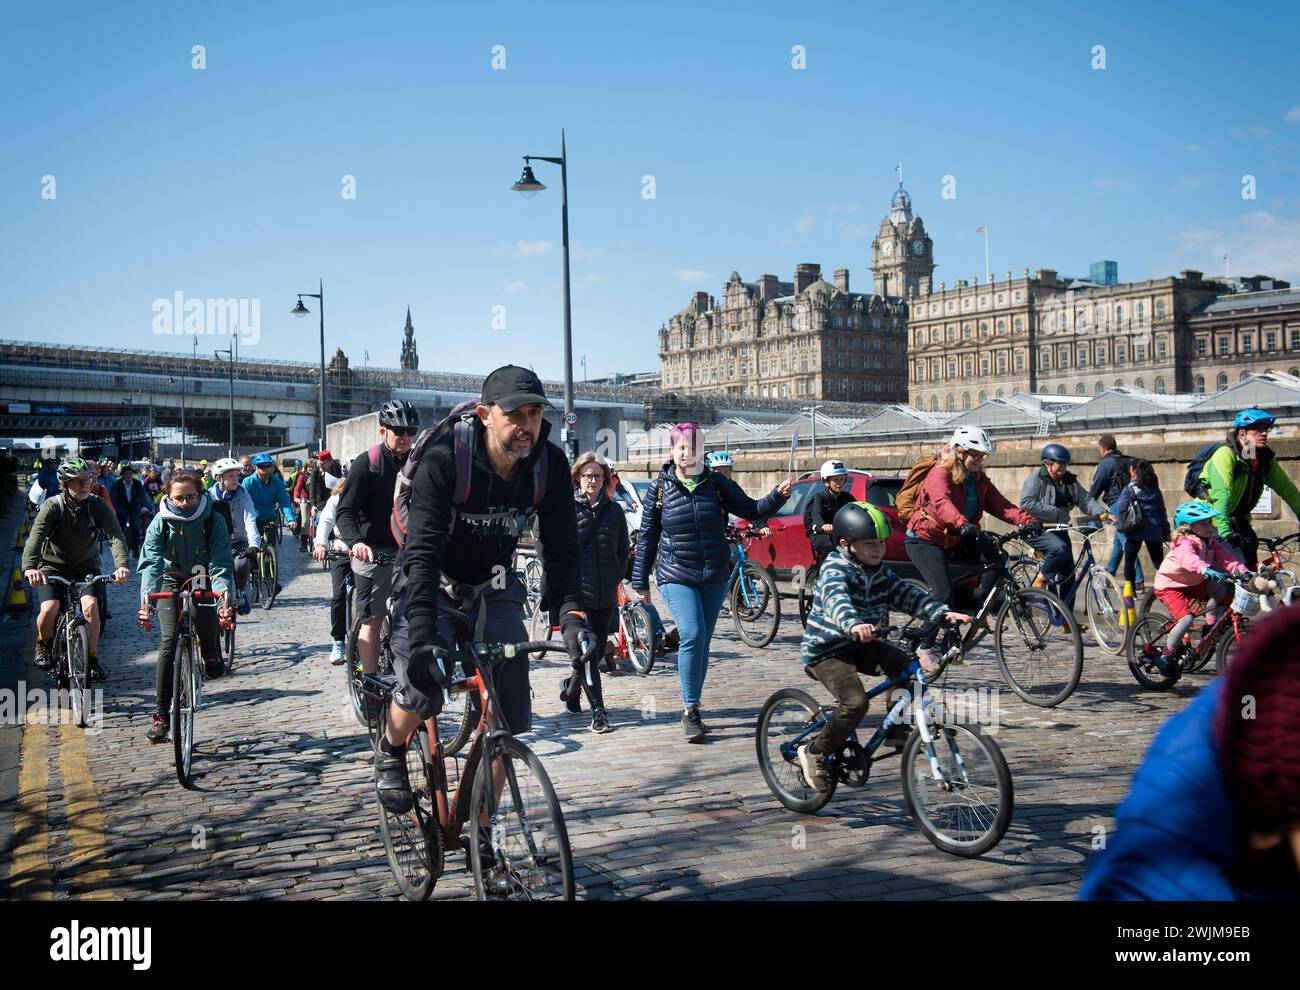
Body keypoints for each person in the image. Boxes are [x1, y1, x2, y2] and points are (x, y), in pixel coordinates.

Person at [381, 366, 600, 820]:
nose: (527, 425)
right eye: (514, 414)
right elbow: (419, 557)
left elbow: (560, 550)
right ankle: (391, 747)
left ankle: (485, 838)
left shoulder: (549, 465)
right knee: (423, 690)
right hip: (434, 582)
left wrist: (573, 616)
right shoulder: (445, 460)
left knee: (509, 717)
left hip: (494, 585)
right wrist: (422, 640)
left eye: (535, 413)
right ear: (485, 414)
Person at [1079, 604, 1300, 900]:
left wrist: (1231, 568)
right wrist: (1206, 568)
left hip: (1203, 587)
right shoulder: (1174, 832)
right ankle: (1169, 651)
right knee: (1186, 616)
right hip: (1178, 585)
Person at [632, 422, 792, 742]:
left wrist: (777, 496)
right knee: (691, 633)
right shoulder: (660, 488)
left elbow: (751, 509)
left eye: (694, 449)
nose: (688, 454)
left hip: (715, 573)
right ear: (672, 451)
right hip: (676, 573)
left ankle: (695, 702)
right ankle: (690, 709)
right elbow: (648, 536)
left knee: (702, 641)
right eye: (682, 448)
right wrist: (640, 580)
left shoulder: (716, 483)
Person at [797, 502, 970, 792]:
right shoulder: (834, 569)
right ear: (845, 544)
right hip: (827, 650)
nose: (878, 550)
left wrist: (941, 613)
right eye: (869, 544)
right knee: (856, 703)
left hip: (863, 643)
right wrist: (853, 623)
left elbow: (907, 595)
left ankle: (897, 728)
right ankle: (815, 752)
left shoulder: (880, 571)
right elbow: (837, 600)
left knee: (906, 667)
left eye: (880, 543)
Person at [136, 471, 235, 742]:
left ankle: (211, 651)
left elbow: (221, 563)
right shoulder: (160, 522)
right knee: (168, 641)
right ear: (168, 497)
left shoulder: (213, 520)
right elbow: (151, 562)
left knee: (205, 615)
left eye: (190, 496)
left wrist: (224, 595)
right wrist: (147, 599)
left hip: (204, 571)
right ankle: (160, 714)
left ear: (200, 495)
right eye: (178, 498)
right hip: (170, 576)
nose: (184, 503)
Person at [905, 425, 1039, 615]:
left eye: (982, 455)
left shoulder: (978, 479)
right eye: (974, 454)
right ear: (959, 452)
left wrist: (1027, 520)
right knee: (943, 596)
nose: (979, 459)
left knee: (997, 559)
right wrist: (963, 523)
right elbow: (942, 502)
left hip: (956, 537)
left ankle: (982, 611)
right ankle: (925, 643)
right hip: (925, 540)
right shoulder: (940, 472)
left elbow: (1002, 506)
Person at [22, 457, 131, 682]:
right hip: (52, 566)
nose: (84, 485)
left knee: (91, 608)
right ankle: (42, 644)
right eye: (77, 481)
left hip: (86, 567)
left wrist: (121, 566)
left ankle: (92, 660)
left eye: (87, 480)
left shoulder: (97, 505)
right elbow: (35, 538)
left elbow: (115, 536)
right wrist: (30, 568)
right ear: (64, 484)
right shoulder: (53, 506)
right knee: (50, 608)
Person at [337, 400, 418, 689]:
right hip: (372, 549)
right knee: (373, 617)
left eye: (411, 430)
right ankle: (370, 683)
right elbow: (345, 511)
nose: (405, 436)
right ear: (383, 431)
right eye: (398, 430)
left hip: (408, 548)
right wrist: (355, 542)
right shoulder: (367, 463)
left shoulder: (421, 462)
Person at [563, 452, 630, 733]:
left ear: (605, 480)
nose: (593, 480)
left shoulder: (614, 511)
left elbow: (623, 549)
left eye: (598, 476)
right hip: (576, 595)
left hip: (604, 594)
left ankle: (572, 687)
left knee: (595, 651)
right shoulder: (565, 509)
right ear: (578, 478)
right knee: (588, 650)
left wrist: (616, 575)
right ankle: (599, 713)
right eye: (588, 475)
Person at [1151, 502, 1250, 680]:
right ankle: (1166, 654)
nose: (1209, 527)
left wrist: (1243, 571)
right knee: (1186, 618)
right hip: (1171, 585)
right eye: (1204, 524)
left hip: (1194, 582)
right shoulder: (1185, 543)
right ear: (1189, 527)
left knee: (1222, 591)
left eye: (1210, 523)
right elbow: (1189, 559)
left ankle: (1210, 626)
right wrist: (1205, 569)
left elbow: (1227, 558)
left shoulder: (1210, 542)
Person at [1194, 408, 1300, 568]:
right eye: (1257, 429)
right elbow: (1222, 494)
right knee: (1241, 571)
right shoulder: (1225, 455)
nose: (1264, 433)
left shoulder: (1262, 460)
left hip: (1238, 520)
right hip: (1212, 520)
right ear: (1242, 434)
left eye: (1266, 429)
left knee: (1253, 568)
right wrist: (1225, 532)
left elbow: (1289, 491)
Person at [1018, 443, 1110, 604]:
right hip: (1036, 529)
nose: (1063, 467)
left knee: (1068, 575)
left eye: (1065, 463)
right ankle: (1040, 580)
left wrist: (1101, 512)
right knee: (1059, 549)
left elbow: (1086, 500)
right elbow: (1026, 503)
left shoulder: (1069, 481)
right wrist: (1057, 513)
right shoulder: (1036, 478)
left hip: (1059, 529)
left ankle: (1067, 619)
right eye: (1059, 463)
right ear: (1047, 463)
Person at [1108, 458, 1170, 616]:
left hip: (1135, 529)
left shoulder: (1130, 488)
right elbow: (1162, 511)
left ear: (1134, 471)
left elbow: (1121, 507)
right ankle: (1167, 587)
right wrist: (1166, 531)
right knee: (1159, 563)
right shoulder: (1154, 489)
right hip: (1154, 530)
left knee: (1130, 560)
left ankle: (1130, 589)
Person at [1089, 435, 1144, 589]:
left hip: (1117, 505)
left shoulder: (1106, 463)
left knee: (1127, 542)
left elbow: (1097, 486)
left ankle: (1138, 581)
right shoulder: (1130, 460)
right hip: (1134, 503)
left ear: (1103, 448)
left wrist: (1089, 503)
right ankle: (1110, 574)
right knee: (1119, 544)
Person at [211, 457, 260, 615]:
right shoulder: (209, 497)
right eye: (230, 476)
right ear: (219, 478)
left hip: (239, 539)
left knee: (240, 564)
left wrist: (253, 544)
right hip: (217, 542)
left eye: (237, 475)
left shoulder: (244, 495)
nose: (235, 479)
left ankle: (240, 591)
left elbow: (250, 519)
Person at [311, 476, 351, 663]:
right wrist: (321, 544)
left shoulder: (370, 495)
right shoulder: (337, 499)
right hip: (341, 550)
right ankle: (338, 641)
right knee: (339, 595)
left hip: (367, 553)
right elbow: (325, 522)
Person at [241, 453, 296, 568]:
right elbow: (241, 504)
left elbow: (285, 502)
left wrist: (290, 519)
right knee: (253, 551)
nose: (266, 470)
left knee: (271, 550)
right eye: (262, 467)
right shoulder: (248, 482)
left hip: (269, 518)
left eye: (268, 466)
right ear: (255, 468)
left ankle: (271, 577)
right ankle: (253, 570)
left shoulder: (277, 482)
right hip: (252, 519)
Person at [804, 459, 855, 567]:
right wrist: (823, 525)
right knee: (830, 545)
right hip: (819, 532)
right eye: (835, 480)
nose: (839, 483)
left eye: (842, 479)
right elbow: (816, 514)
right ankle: (821, 574)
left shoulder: (847, 497)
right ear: (826, 481)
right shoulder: (820, 497)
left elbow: (858, 509)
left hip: (838, 532)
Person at [109, 464, 149, 555]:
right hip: (122, 508)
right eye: (126, 474)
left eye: (130, 473)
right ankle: (121, 550)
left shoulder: (137, 483)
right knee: (121, 529)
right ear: (122, 475)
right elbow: (113, 497)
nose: (128, 475)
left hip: (134, 508)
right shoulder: (117, 484)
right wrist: (116, 508)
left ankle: (136, 550)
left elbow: (143, 496)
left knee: (135, 528)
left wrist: (143, 506)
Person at [293, 458, 315, 551]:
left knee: (318, 521)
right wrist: (296, 498)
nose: (311, 469)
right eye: (309, 467)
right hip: (305, 499)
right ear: (306, 467)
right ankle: (304, 544)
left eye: (313, 467)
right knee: (305, 521)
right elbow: (297, 488)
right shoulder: (302, 476)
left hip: (316, 500)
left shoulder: (318, 475)